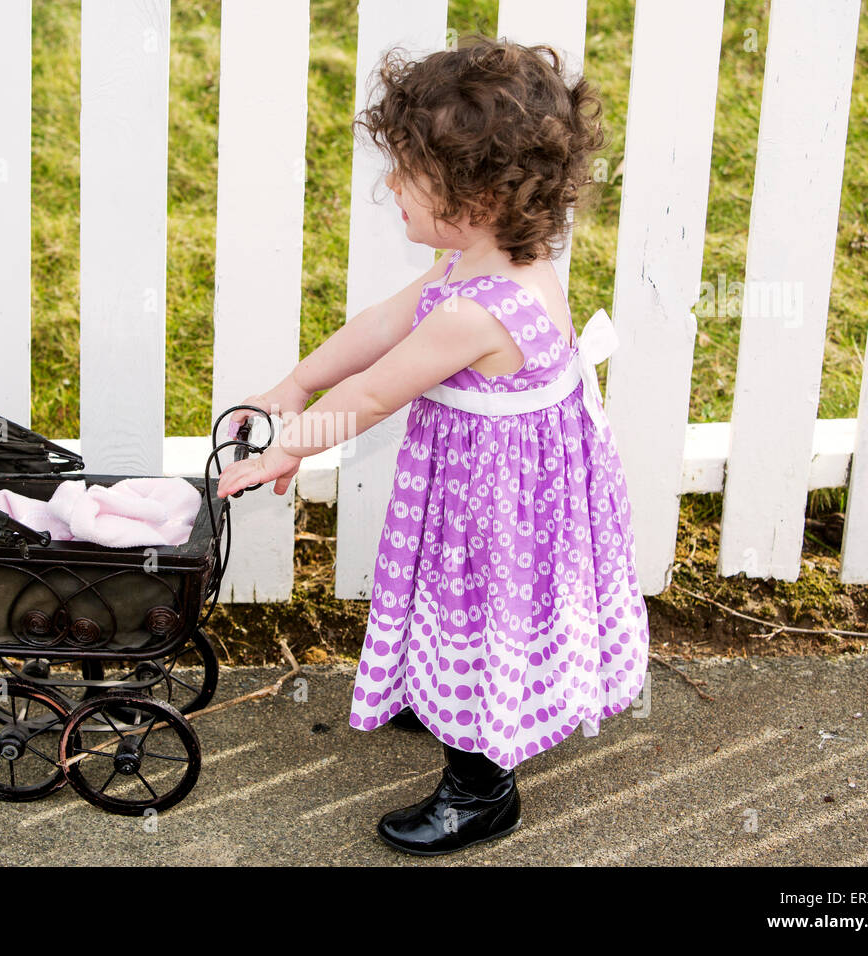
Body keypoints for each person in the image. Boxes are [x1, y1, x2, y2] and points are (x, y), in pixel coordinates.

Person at [215, 35, 649, 856]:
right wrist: (295, 384)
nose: (390, 186)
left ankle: (482, 790)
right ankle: (446, 696)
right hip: (486, 483)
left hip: (495, 509)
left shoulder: (479, 311)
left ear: (477, 196)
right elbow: (381, 327)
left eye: (408, 174)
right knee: (450, 608)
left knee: (476, 614)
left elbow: (378, 391)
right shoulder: (479, 262)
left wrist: (287, 449)